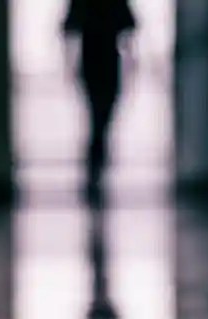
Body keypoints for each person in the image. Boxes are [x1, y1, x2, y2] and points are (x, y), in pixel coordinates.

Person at [62, 0, 137, 201]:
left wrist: (69, 64)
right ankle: (96, 165)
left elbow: (69, 30)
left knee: (98, 116)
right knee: (101, 116)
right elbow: (129, 31)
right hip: (104, 61)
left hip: (94, 60)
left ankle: (95, 166)